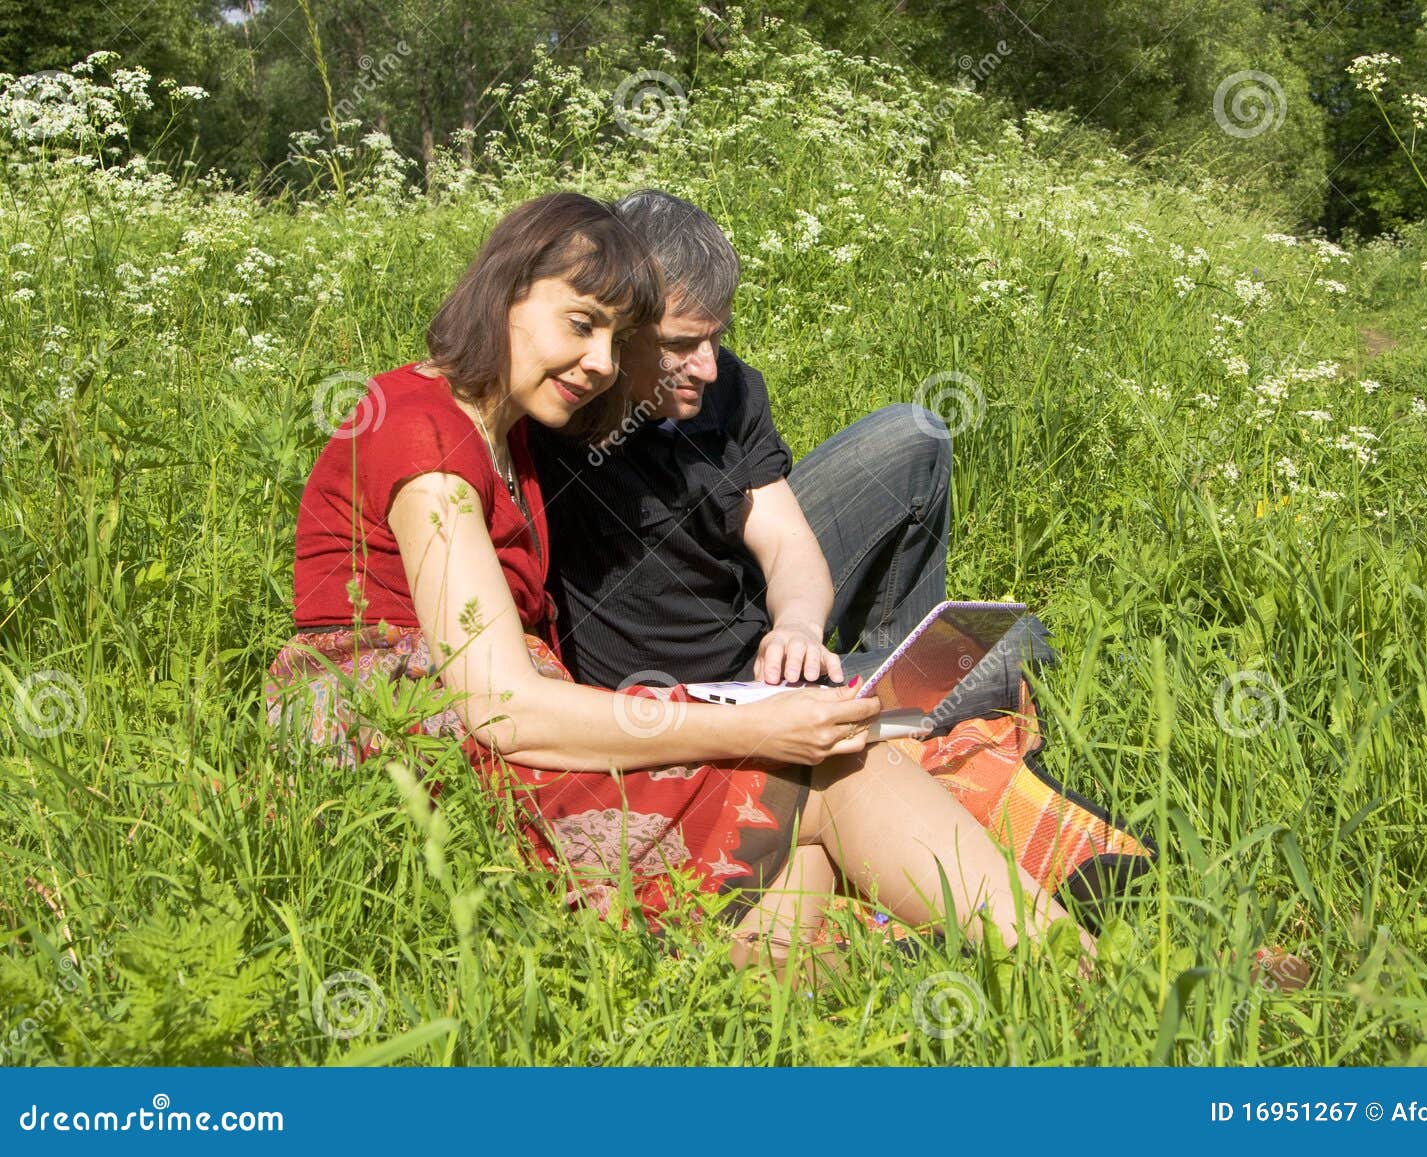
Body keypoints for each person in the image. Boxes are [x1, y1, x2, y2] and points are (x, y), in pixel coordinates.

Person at [264, 192, 1098, 986]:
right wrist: (757, 726)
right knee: (840, 766)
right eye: (581, 326)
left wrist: (783, 665)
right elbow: (498, 705)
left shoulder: (505, 429)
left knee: (803, 870)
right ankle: (1070, 965)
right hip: (423, 736)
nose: (596, 363)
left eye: (612, 336)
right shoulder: (423, 429)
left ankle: (947, 964)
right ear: (504, 292)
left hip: (483, 718)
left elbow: (776, 537)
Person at [531, 189, 1154, 922]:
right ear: (619, 321)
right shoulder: (557, 416)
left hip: (761, 661)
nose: (704, 365)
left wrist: (794, 625)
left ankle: (890, 699)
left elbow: (786, 538)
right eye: (677, 345)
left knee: (930, 471)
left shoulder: (725, 391)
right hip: (686, 707)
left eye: (716, 337)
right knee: (998, 663)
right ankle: (920, 768)